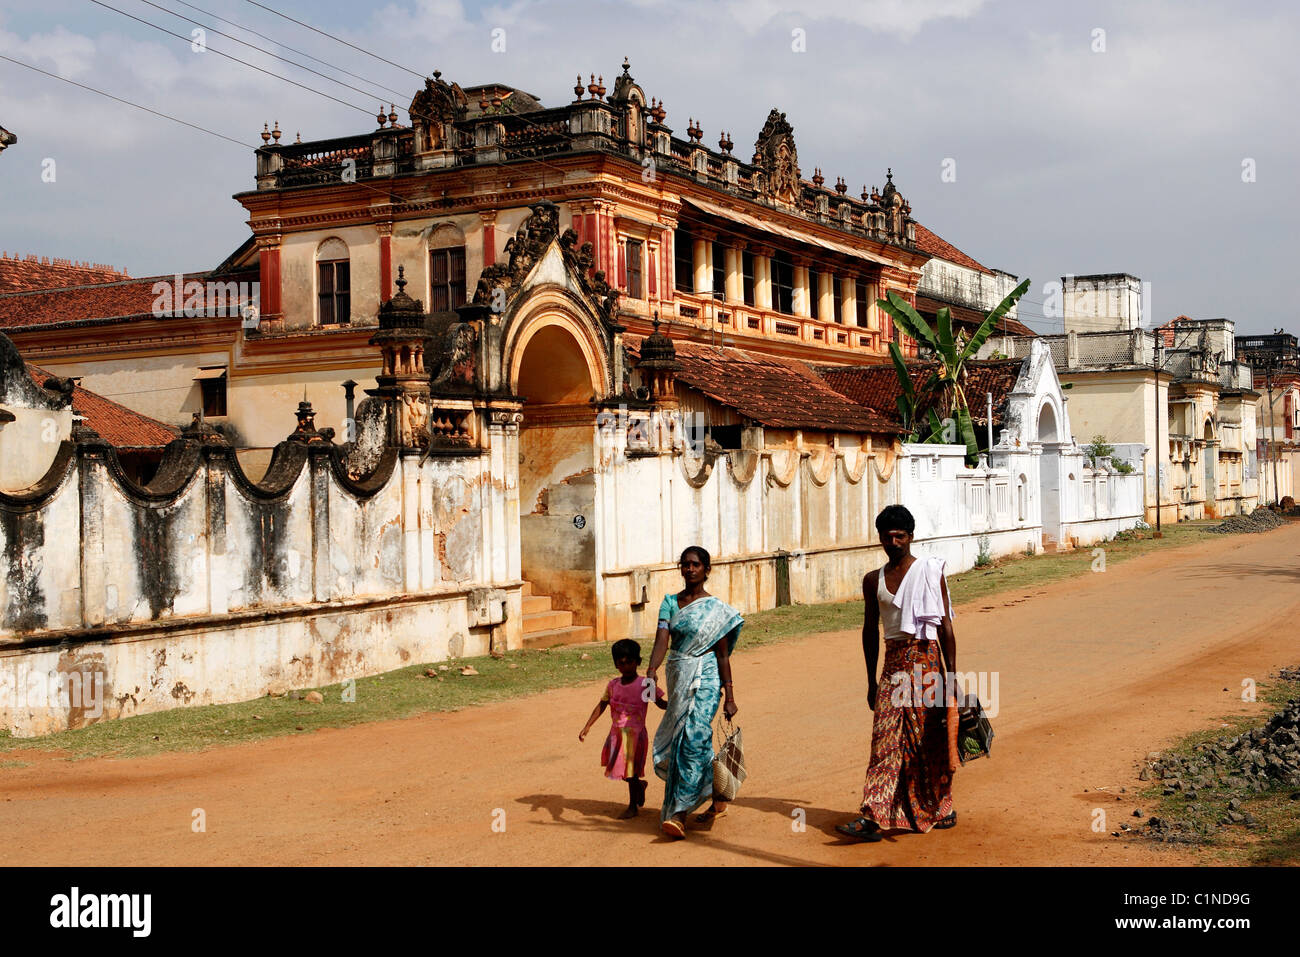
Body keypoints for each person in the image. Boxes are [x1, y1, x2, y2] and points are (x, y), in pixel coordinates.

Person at [837, 504, 960, 843]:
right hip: (893, 665)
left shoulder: (931, 572)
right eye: (886, 537)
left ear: (911, 537)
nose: (893, 542)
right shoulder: (872, 580)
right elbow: (869, 631)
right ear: (879, 538)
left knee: (928, 740)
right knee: (885, 741)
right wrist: (870, 681)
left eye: (899, 536)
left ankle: (940, 806)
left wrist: (952, 677)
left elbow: (946, 625)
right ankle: (874, 815)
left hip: (927, 659)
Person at [646, 546, 743, 840]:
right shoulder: (670, 603)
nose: (689, 569)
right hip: (678, 675)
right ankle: (718, 796)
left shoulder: (717, 610)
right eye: (685, 564)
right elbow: (662, 640)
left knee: (693, 737)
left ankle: (679, 812)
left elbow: (723, 656)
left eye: (695, 565)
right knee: (685, 740)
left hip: (708, 679)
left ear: (706, 569)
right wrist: (650, 672)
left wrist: (730, 695)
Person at [579, 638, 667, 818]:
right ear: (616, 664)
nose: (626, 666)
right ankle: (639, 787)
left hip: (635, 736)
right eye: (621, 663)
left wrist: (680, 701)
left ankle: (632, 806)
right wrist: (587, 726)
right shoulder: (612, 686)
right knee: (624, 772)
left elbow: (660, 703)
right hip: (617, 735)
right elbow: (602, 705)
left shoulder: (645, 684)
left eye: (630, 662)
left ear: (638, 662)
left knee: (630, 773)